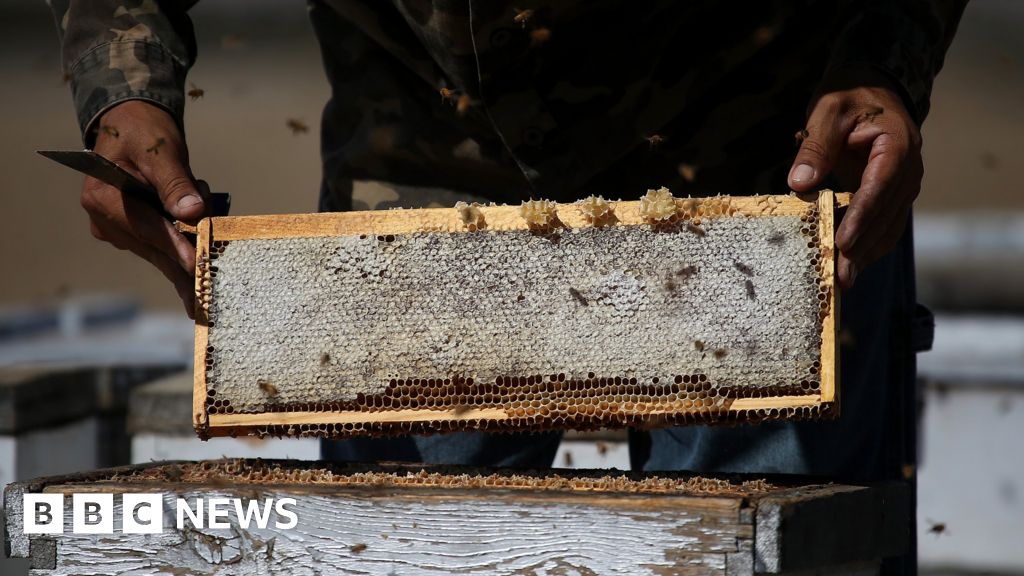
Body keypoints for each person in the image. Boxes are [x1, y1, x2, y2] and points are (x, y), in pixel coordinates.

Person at [50, 0, 959, 487]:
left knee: (765, 530)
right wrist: (124, 87)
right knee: (403, 543)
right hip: (426, 137)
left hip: (755, 141)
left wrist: (885, 57)